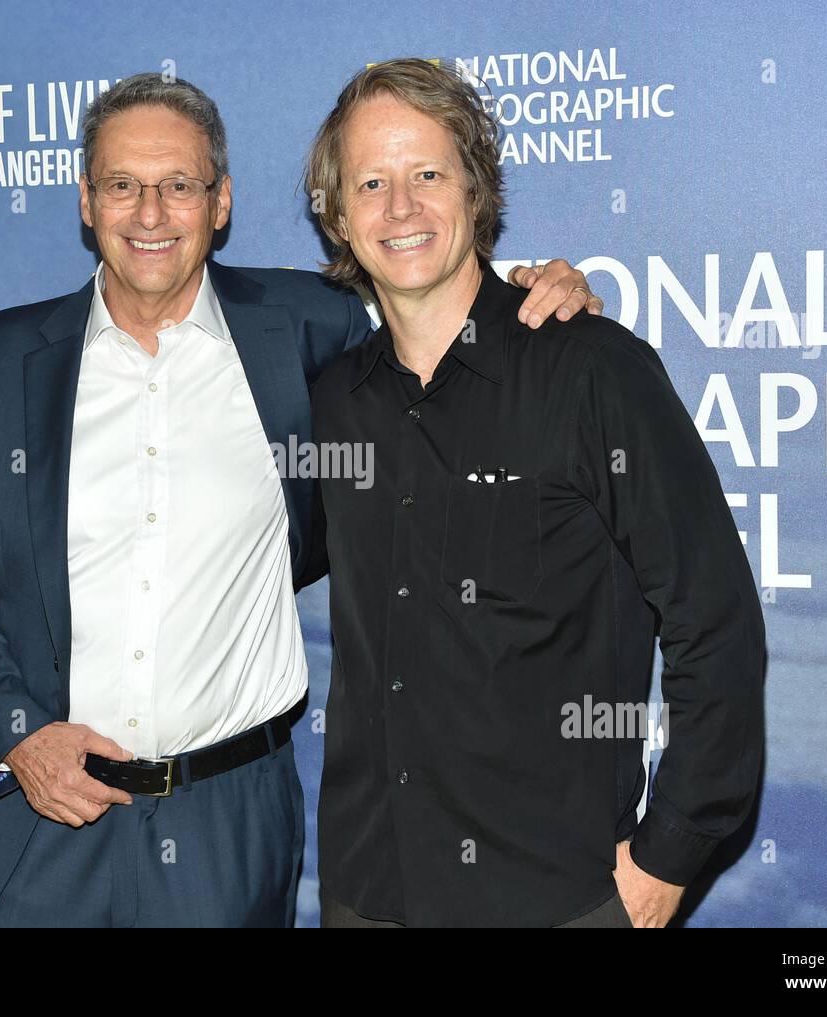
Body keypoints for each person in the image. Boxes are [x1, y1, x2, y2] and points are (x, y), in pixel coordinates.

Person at [0, 71, 600, 927]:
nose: (150, 214)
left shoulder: (310, 328)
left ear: (221, 201)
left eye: (179, 186)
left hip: (225, 829)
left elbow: (438, 319)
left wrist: (532, 299)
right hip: (38, 824)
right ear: (88, 201)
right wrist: (18, 735)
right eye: (123, 185)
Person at [305, 58, 766, 928]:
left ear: (476, 193)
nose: (400, 208)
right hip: (370, 892)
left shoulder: (592, 371)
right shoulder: (335, 401)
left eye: (428, 175)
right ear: (337, 216)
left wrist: (669, 852)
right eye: (371, 182)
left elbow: (717, 620)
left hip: (560, 899)